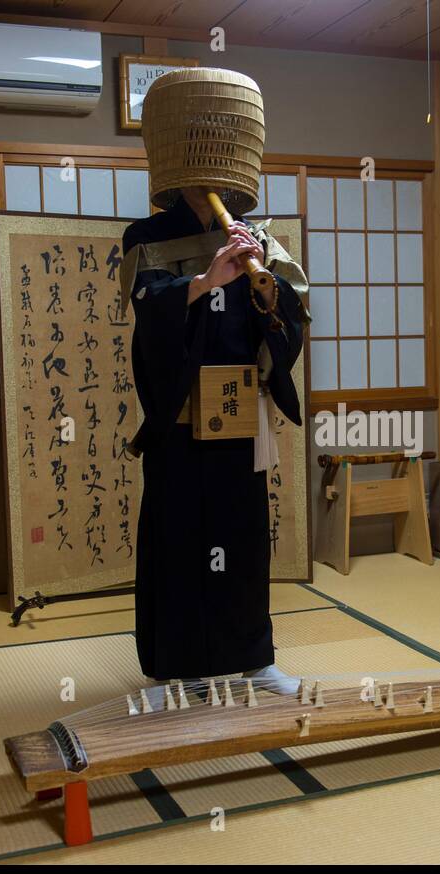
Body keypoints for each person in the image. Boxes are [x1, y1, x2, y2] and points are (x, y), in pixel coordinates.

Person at [123, 185, 307, 703]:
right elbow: (149, 310)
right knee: (175, 539)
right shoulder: (148, 234)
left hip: (238, 410)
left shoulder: (258, 238)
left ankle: (254, 661)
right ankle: (170, 670)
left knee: (244, 541)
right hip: (179, 414)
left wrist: (267, 288)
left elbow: (289, 315)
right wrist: (205, 281)